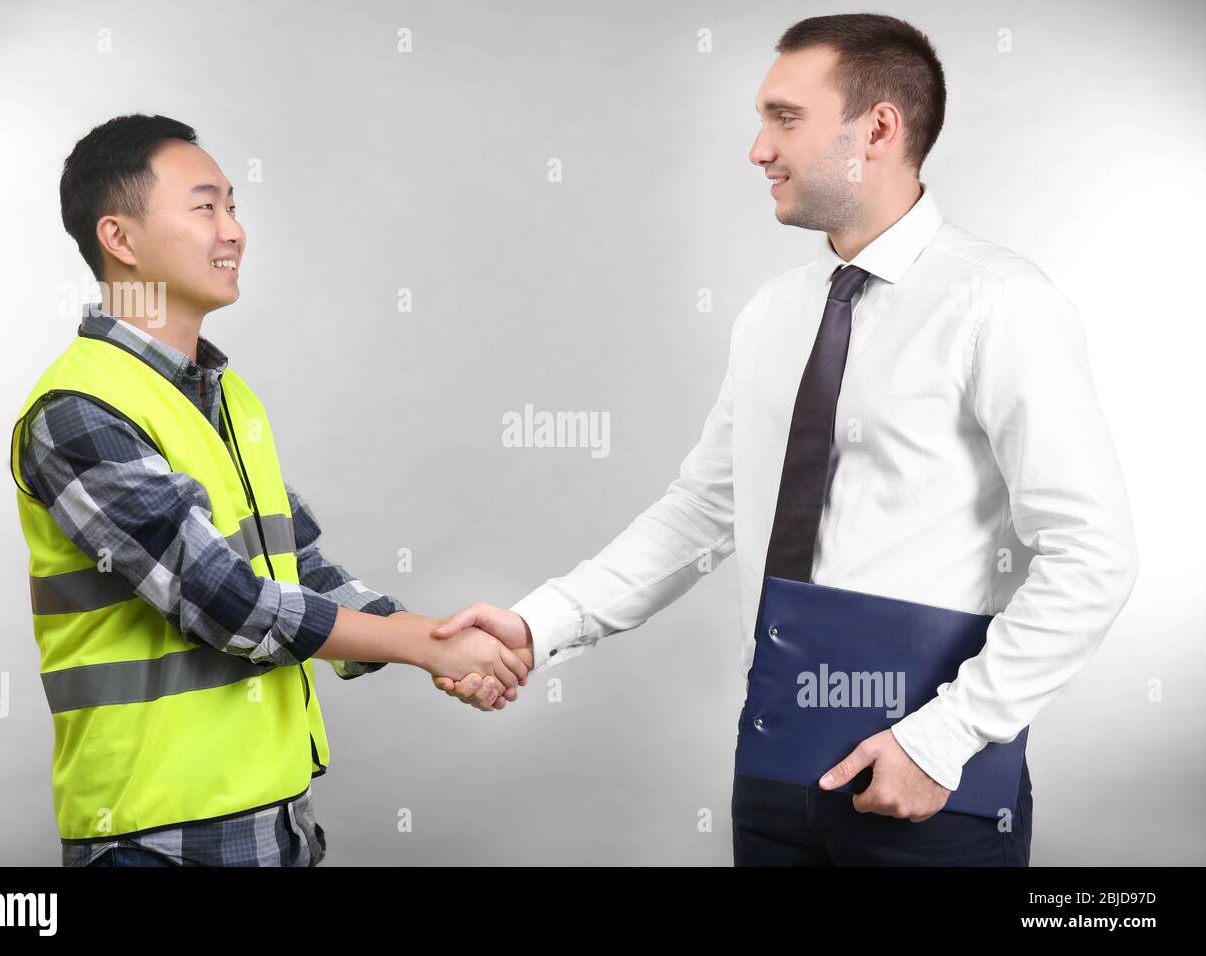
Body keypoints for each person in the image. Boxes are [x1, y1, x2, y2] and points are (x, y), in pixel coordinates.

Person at [432, 13, 1138, 866]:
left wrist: (942, 739)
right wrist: (537, 625)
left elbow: (1092, 554)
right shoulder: (775, 314)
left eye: (784, 118)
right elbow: (703, 513)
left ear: (878, 128)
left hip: (930, 789)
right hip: (775, 774)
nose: (759, 150)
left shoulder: (1000, 303)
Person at [9, 114, 533, 867]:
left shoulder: (228, 398)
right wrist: (424, 648)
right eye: (204, 207)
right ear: (120, 239)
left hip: (277, 819)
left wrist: (447, 638)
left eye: (233, 206)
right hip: (155, 838)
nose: (233, 232)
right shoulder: (80, 411)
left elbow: (298, 571)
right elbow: (224, 601)